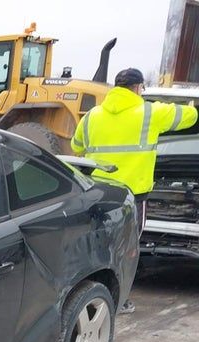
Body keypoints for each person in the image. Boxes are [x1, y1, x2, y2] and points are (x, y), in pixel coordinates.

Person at [71, 67, 198, 313]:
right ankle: (121, 300)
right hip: (132, 196)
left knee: (98, 245)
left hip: (98, 192)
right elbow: (190, 116)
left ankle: (90, 296)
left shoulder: (92, 116)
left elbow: (77, 145)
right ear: (139, 88)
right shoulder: (151, 111)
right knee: (127, 248)